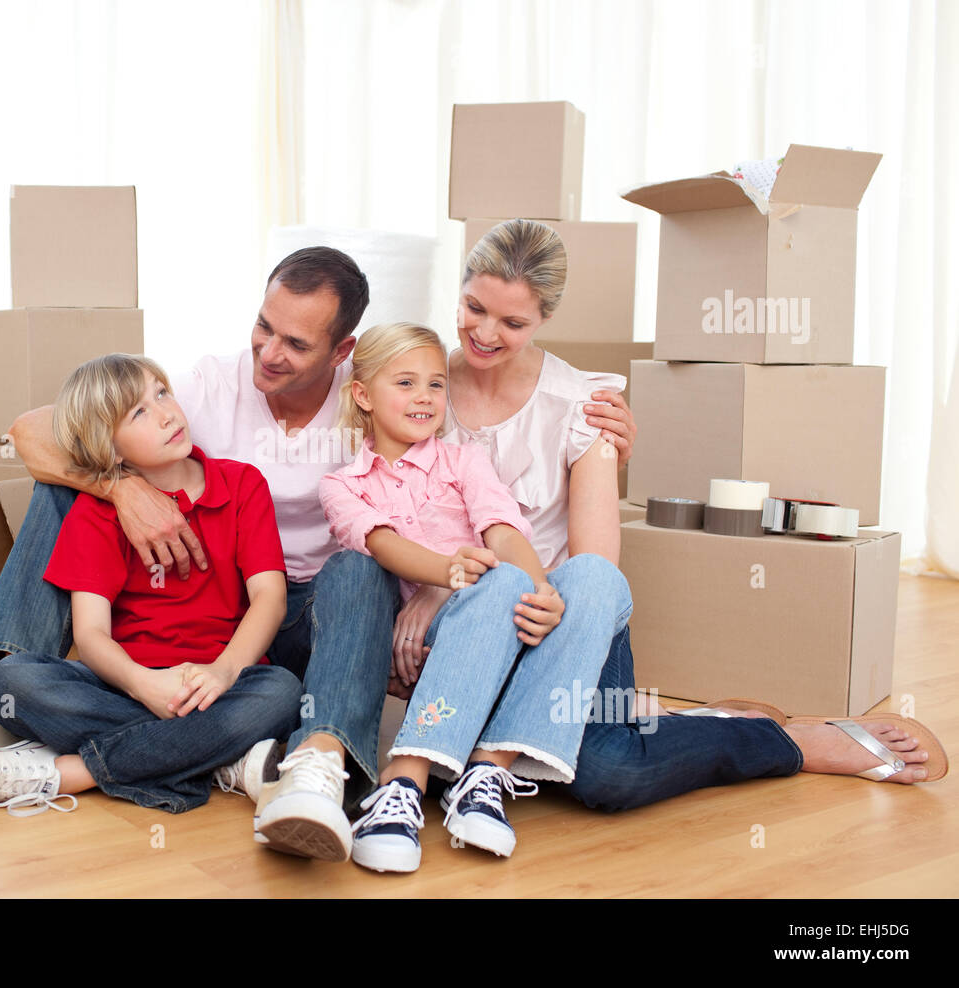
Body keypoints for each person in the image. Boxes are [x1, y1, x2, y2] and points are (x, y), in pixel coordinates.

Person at [0, 245, 642, 859]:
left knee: (355, 567)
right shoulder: (204, 387)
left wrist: (596, 429)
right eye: (263, 326)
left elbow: (463, 472)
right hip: (203, 598)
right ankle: (1, 706)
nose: (269, 353)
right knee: (69, 485)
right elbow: (34, 432)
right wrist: (122, 487)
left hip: (308, 612)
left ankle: (317, 757)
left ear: (344, 353)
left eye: (296, 342)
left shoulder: (376, 390)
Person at [394, 219, 944, 819]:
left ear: (546, 318)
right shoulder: (417, 386)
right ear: (461, 288)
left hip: (558, 620)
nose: (485, 333)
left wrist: (484, 586)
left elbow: (594, 574)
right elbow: (382, 502)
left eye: (513, 322)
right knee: (446, 765)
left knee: (608, 772)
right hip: (461, 624)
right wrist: (430, 586)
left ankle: (791, 742)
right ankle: (675, 717)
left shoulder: (584, 405)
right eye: (474, 307)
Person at [0, 354, 301, 815]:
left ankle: (63, 773)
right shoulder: (96, 513)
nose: (165, 413)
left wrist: (223, 671)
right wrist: (144, 685)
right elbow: (91, 635)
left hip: (225, 682)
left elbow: (270, 597)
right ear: (111, 448)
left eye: (161, 393)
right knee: (12, 679)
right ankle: (219, 759)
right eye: (138, 412)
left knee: (280, 691)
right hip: (128, 684)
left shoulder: (242, 484)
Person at [317, 323, 632, 872]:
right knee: (499, 580)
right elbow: (383, 544)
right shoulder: (343, 484)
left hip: (503, 612)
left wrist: (541, 591)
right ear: (363, 394)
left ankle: (486, 773)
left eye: (437, 385)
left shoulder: (464, 461)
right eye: (406, 383)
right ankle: (403, 786)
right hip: (441, 625)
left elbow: (504, 530)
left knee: (594, 579)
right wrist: (449, 571)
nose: (424, 397)